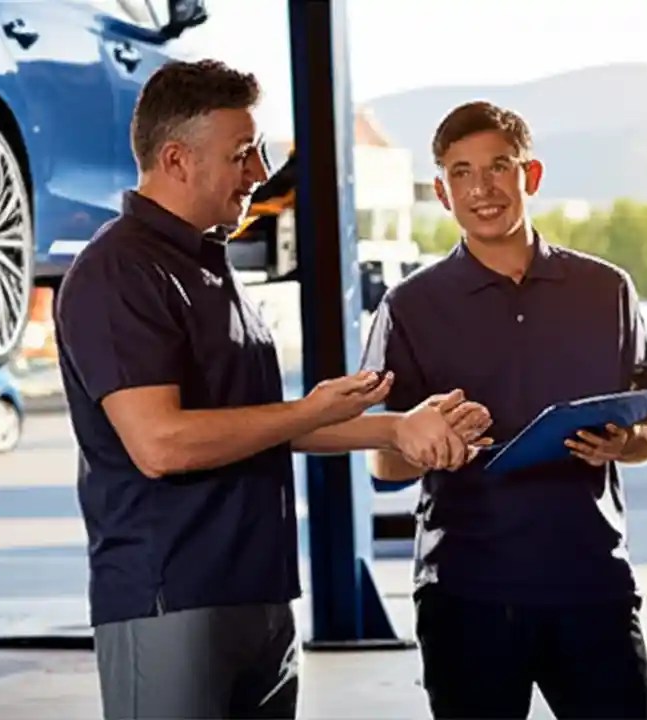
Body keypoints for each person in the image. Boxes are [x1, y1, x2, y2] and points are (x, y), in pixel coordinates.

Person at [54, 60, 491, 720]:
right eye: (244, 154)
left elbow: (264, 423)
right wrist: (308, 408)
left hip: (259, 595)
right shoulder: (119, 272)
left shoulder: (206, 266)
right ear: (176, 159)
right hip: (171, 598)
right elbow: (161, 444)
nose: (260, 173)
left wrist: (393, 428)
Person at [361, 100, 647, 720]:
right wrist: (426, 441)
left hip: (592, 587)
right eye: (462, 173)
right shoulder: (409, 306)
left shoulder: (607, 289)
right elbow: (383, 467)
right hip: (466, 595)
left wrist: (624, 444)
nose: (483, 189)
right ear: (443, 194)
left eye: (499, 167)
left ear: (530, 176)